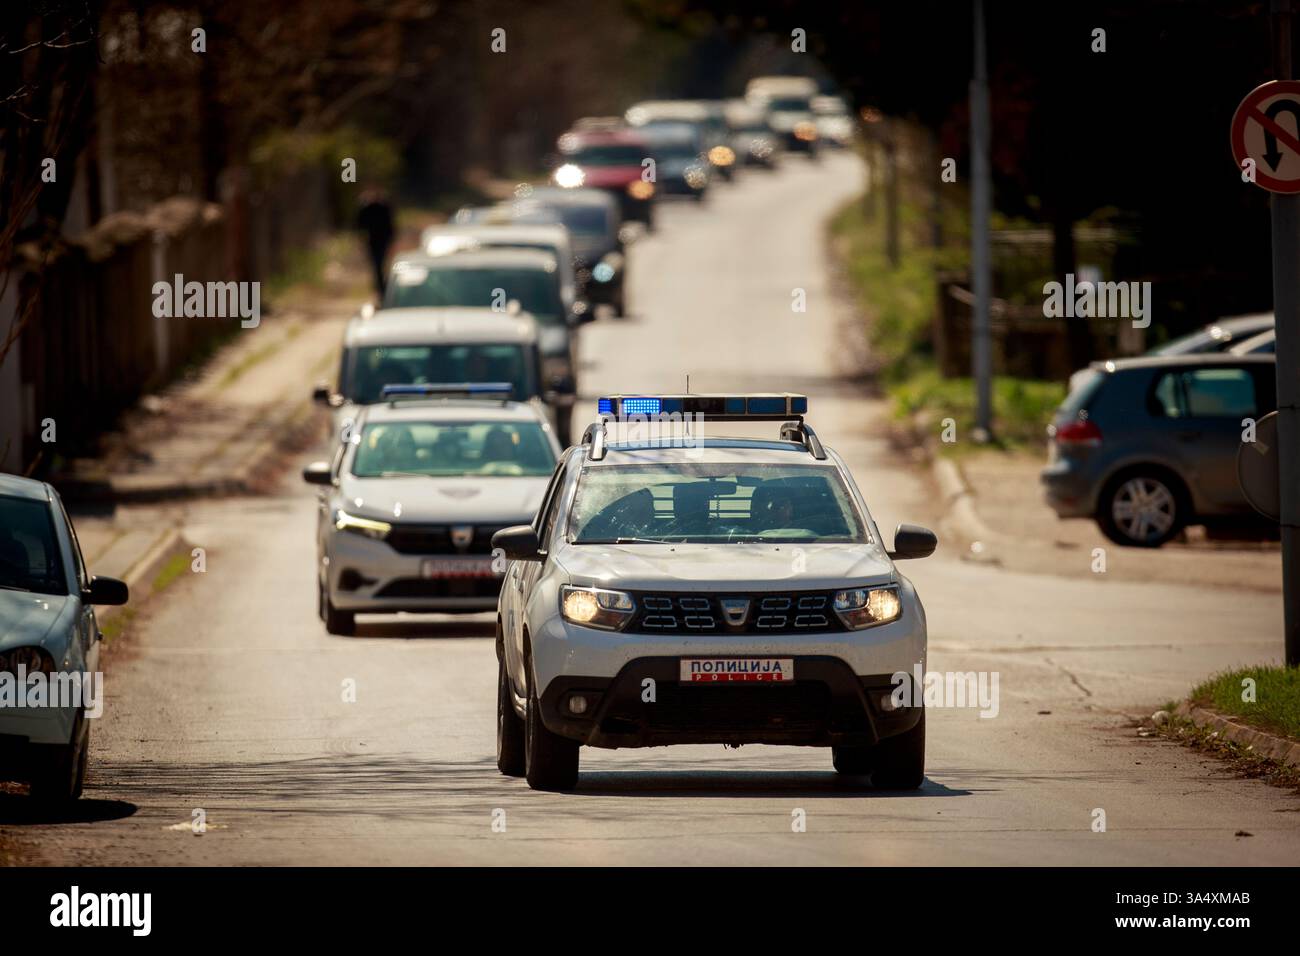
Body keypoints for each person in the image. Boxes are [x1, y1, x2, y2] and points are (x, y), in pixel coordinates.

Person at [357, 188, 396, 297]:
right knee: (377, 265)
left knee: (380, 264)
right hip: (373, 241)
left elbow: (390, 226)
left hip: (382, 240)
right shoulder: (367, 208)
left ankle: (383, 286)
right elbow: (360, 225)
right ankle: (381, 287)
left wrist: (391, 241)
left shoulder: (383, 208)